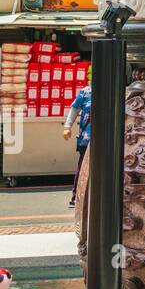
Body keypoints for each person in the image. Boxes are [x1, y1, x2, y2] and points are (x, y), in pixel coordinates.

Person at [62, 74, 93, 208]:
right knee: (83, 166)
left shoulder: (112, 92)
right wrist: (67, 126)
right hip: (86, 137)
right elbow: (74, 109)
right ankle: (77, 195)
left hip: (105, 138)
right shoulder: (86, 92)